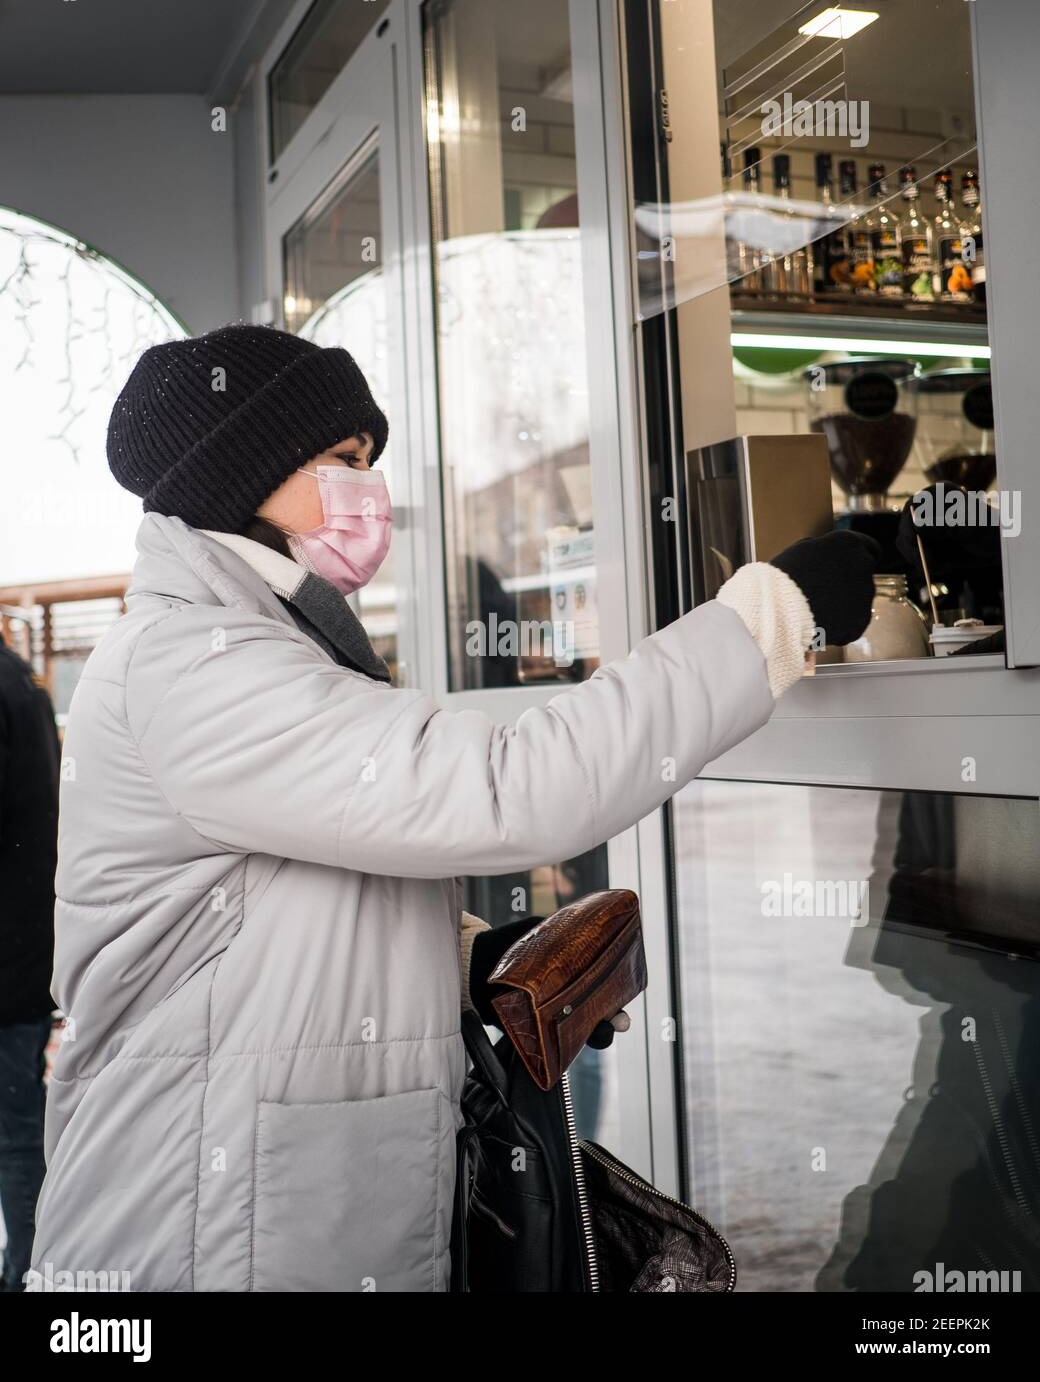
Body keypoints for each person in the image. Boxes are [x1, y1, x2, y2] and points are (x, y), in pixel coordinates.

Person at [29, 324, 877, 1292]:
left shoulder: (251, 641)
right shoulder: (194, 664)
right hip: (203, 1231)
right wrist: (766, 617)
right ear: (240, 472)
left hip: (267, 1212)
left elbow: (274, 908)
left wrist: (460, 960)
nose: (368, 489)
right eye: (341, 459)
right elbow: (510, 785)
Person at [0, 640, 59, 1291]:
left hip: (8, 969)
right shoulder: (22, 680)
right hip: (25, 957)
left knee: (15, 1140)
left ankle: (29, 1278)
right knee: (19, 1134)